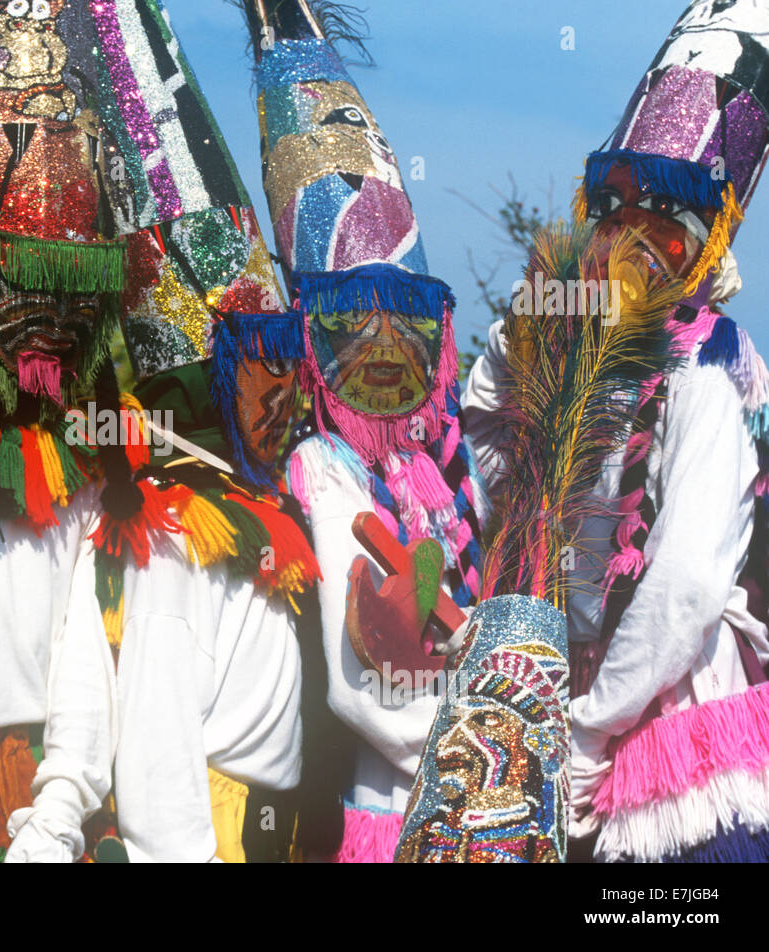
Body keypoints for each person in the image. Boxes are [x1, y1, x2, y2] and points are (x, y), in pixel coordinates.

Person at [463, 0, 769, 862]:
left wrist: (587, 736)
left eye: (663, 217)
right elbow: (489, 444)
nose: (631, 234)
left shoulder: (708, 371)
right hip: (576, 726)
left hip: (674, 755)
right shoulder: (583, 368)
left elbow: (681, 587)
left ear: (705, 247)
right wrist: (536, 327)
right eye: (613, 207)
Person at [242, 0, 486, 863]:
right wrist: (482, 764)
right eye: (354, 319)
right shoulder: (321, 466)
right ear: (312, 335)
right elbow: (361, 687)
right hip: (408, 813)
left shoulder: (449, 469)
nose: (385, 347)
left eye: (406, 318)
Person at [85, 0, 321, 862]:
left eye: (287, 359)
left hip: (268, 821)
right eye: (261, 360)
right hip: (213, 828)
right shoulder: (174, 531)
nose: (287, 387)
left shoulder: (260, 505)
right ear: (200, 385)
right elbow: (153, 750)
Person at [0, 0, 127, 863]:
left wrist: (57, 813)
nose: (54, 329)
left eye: (76, 301)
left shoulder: (85, 461)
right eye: (23, 292)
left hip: (42, 796)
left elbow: (84, 663)